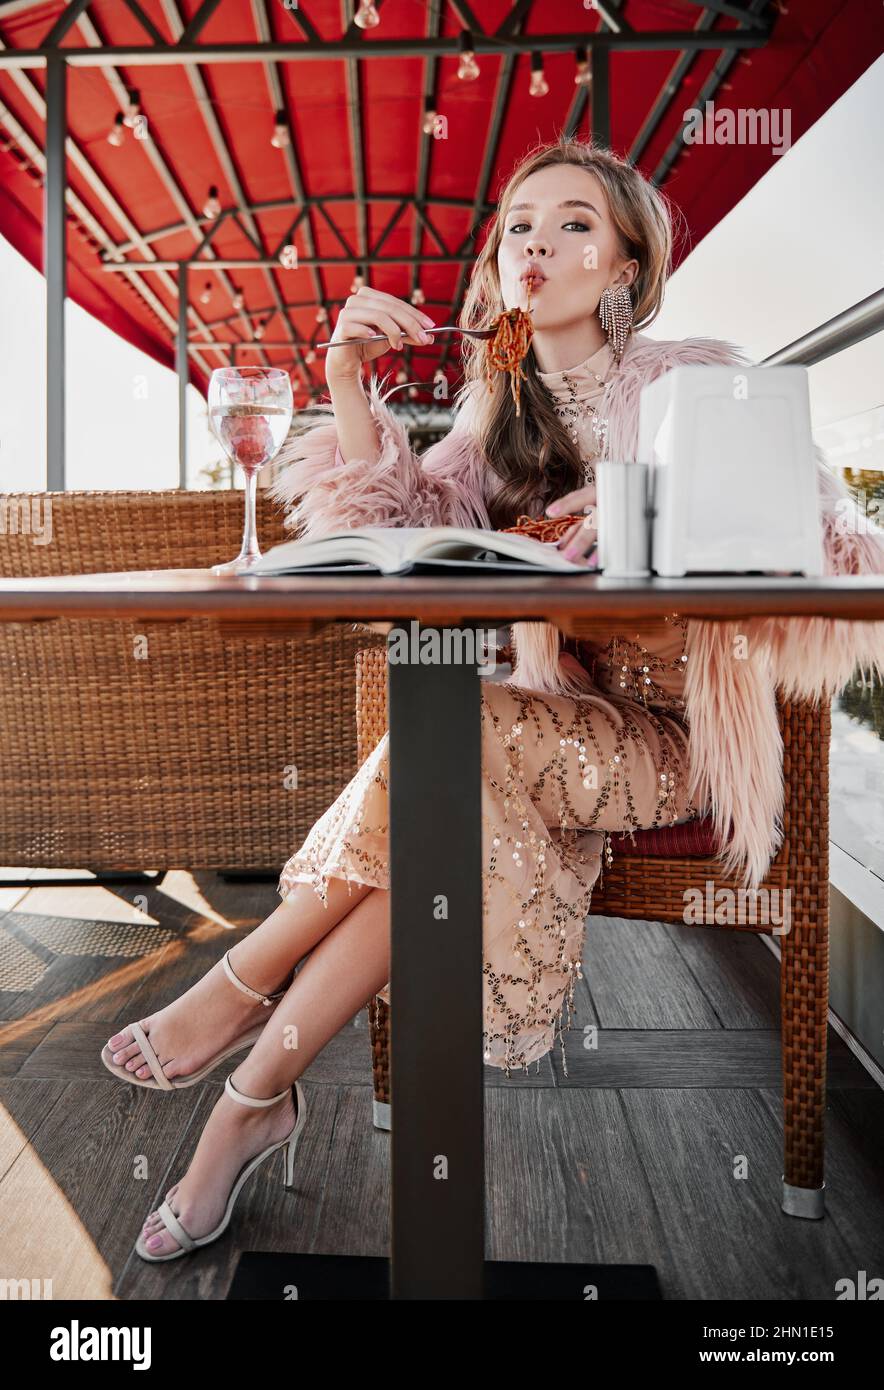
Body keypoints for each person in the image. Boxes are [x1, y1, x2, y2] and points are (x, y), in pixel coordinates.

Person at [102, 136, 884, 1261]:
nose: (535, 244)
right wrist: (339, 381)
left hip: (671, 738)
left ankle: (244, 998)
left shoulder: (694, 379)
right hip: (539, 720)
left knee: (450, 744)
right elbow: (390, 523)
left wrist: (639, 521)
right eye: (518, 224)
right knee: (446, 772)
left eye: (572, 223)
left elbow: (830, 551)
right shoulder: (494, 401)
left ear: (623, 267)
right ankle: (254, 1094)